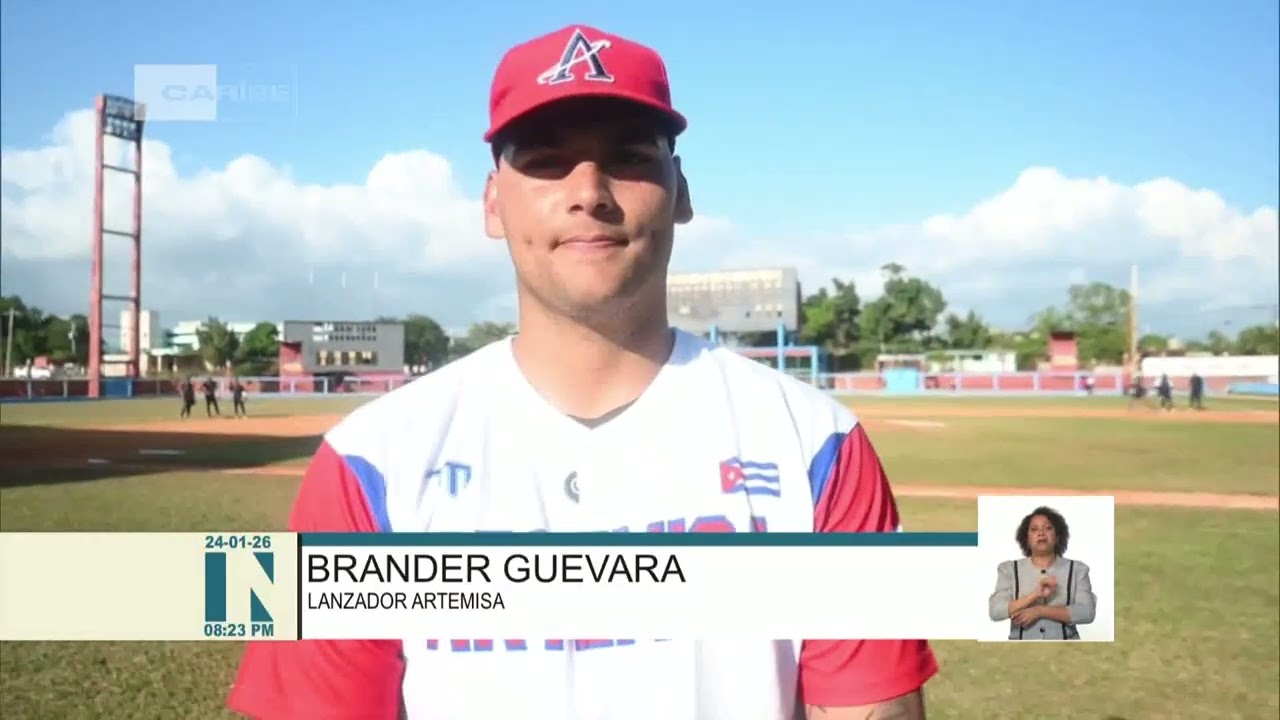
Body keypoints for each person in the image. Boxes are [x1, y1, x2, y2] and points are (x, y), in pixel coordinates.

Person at [226, 24, 938, 720]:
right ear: (491, 203)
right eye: (544, 161)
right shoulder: (371, 460)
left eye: (628, 157)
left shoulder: (816, 445)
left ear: (681, 192)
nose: (589, 191)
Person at [987, 506, 1097, 641]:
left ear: (1057, 536)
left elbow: (1087, 613)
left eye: (1048, 528)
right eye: (1034, 529)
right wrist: (1035, 595)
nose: (1041, 533)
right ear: (1026, 538)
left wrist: (1040, 611)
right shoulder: (1008, 569)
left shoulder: (1078, 570)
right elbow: (996, 612)